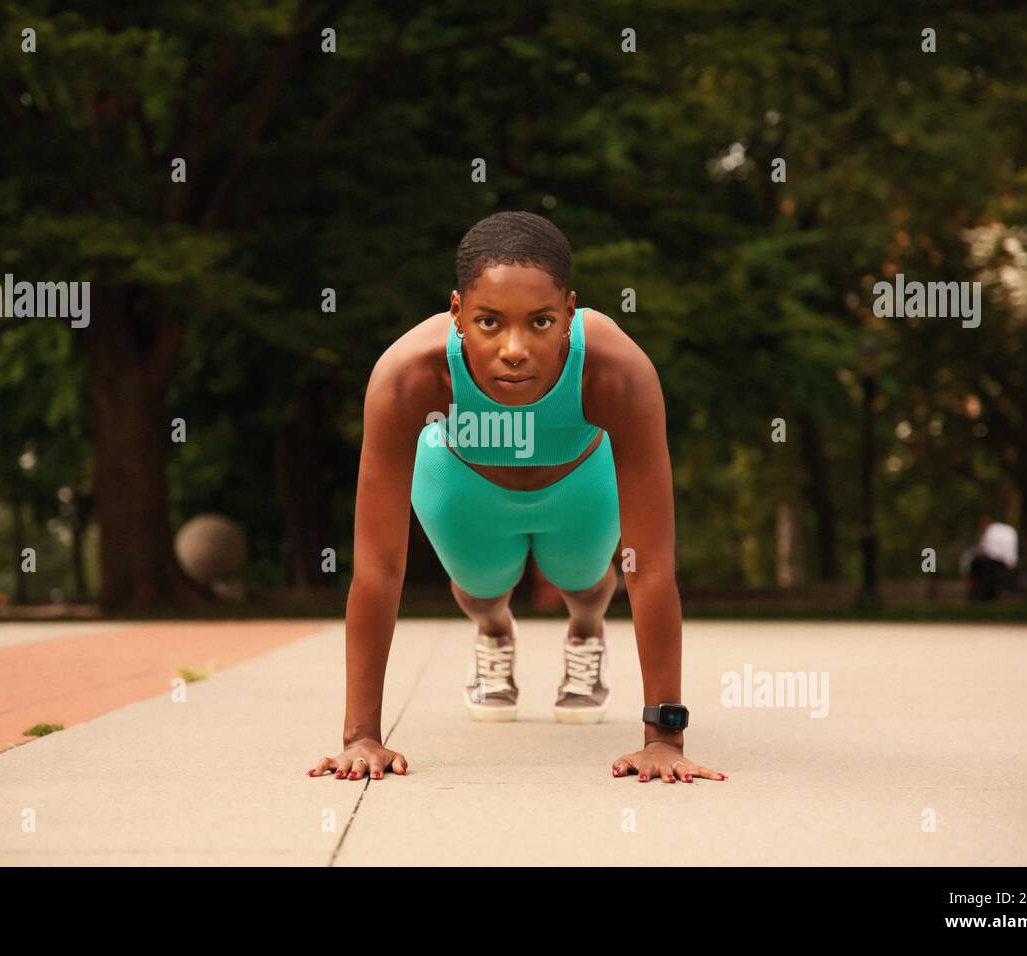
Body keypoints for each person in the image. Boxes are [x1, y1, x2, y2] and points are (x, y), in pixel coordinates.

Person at [307, 212, 726, 785]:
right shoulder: (407, 376)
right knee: (481, 588)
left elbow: (649, 565)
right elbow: (380, 566)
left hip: (580, 480)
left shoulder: (617, 372)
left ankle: (585, 627)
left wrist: (664, 739)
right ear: (455, 314)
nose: (514, 348)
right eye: (488, 322)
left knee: (585, 580)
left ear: (570, 314)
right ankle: (495, 631)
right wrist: (361, 737)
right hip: (464, 482)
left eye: (540, 322)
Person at [965, 514, 1018, 600]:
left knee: (974, 562)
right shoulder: (1008, 529)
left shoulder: (990, 530)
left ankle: (975, 592)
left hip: (994, 562)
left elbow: (985, 549)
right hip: (1009, 562)